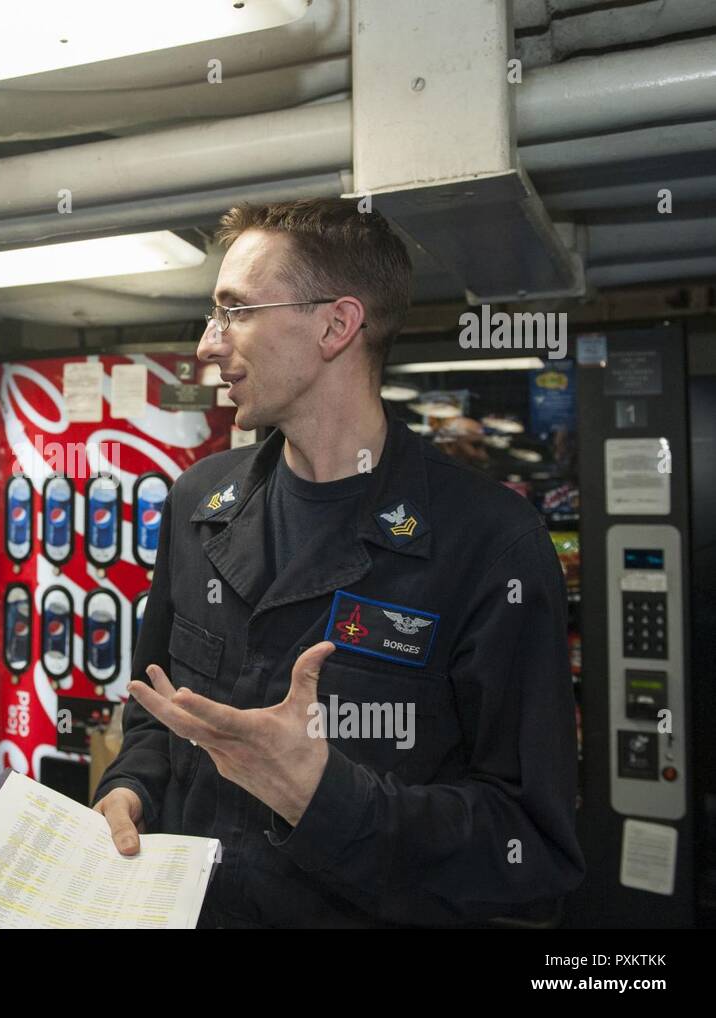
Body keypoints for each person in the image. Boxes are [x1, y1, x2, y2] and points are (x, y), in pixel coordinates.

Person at [93, 198, 585, 927]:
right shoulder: (201, 502)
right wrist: (130, 785)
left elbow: (529, 848)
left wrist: (324, 797)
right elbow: (156, 714)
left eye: (235, 311)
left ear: (336, 325)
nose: (206, 345)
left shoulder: (489, 543)